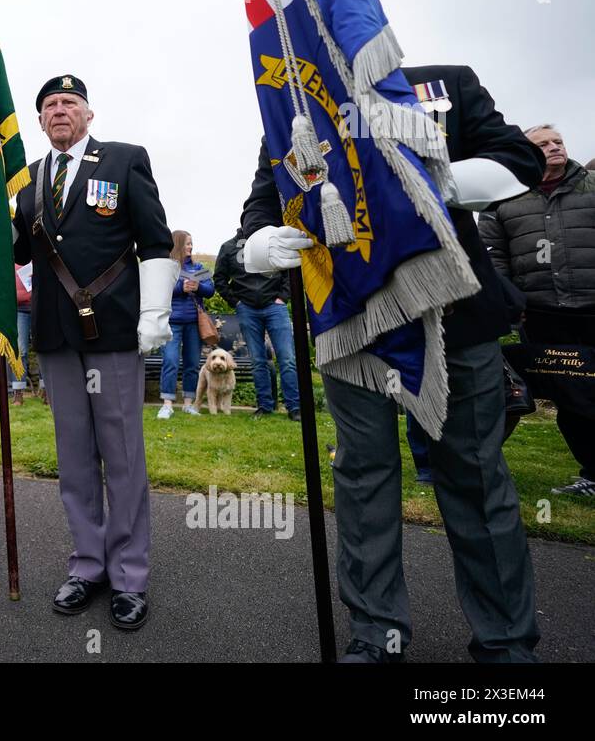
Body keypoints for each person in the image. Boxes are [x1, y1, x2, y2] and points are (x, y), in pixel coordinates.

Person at [241, 64, 544, 662]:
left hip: (450, 311)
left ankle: (507, 641)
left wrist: (425, 182)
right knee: (363, 476)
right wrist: (258, 244)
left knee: (475, 476)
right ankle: (377, 630)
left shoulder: (442, 85)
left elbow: (518, 160)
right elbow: (261, 207)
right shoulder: (295, 110)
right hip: (352, 321)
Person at [13, 74, 176, 630]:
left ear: (88, 113)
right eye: (49, 105)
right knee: (75, 456)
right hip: (56, 334)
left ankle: (130, 575)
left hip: (110, 329)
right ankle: (88, 564)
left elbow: (155, 240)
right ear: (39, 121)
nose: (59, 110)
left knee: (123, 455)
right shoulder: (27, 180)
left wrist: (154, 312)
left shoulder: (125, 160)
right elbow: (13, 248)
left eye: (69, 102)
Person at [479, 123, 595, 496]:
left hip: (593, 307)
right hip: (542, 314)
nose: (554, 147)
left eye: (558, 141)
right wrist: (510, 303)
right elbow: (494, 260)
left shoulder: (591, 187)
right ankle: (592, 473)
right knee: (568, 393)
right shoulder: (504, 197)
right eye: (543, 143)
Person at [214, 229, 300, 421]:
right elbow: (219, 279)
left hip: (274, 307)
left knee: (287, 359)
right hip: (247, 310)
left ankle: (294, 407)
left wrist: (282, 297)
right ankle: (265, 406)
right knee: (258, 361)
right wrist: (236, 302)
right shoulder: (228, 247)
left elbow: (289, 270)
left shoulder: (272, 242)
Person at [157, 231, 213, 419]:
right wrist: (181, 288)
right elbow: (160, 289)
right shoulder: (166, 268)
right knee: (170, 361)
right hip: (172, 322)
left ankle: (189, 404)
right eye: (188, 243)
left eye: (191, 243)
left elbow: (211, 290)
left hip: (193, 324)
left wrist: (199, 287)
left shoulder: (199, 267)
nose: (191, 247)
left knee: (192, 364)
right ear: (178, 245)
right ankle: (167, 404)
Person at [12, 262, 34, 390]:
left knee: (43, 348)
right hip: (20, 310)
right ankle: (18, 390)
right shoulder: (10, 259)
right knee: (21, 350)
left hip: (39, 308)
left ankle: (45, 390)